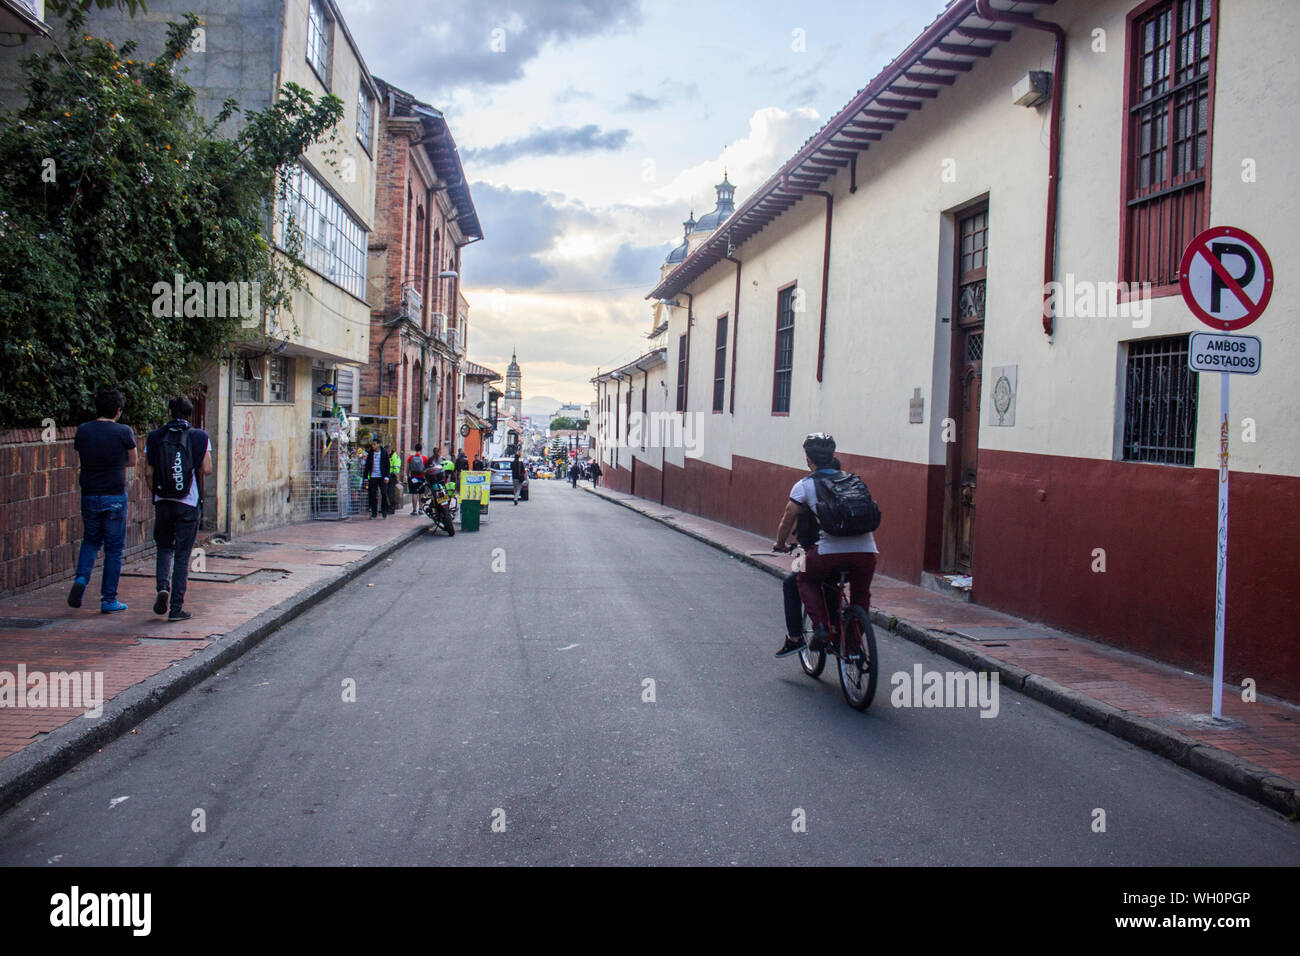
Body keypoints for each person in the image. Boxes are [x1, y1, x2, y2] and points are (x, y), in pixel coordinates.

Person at [773, 435, 877, 658]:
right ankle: (853, 644)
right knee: (861, 595)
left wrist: (780, 544)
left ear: (808, 459)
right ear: (832, 457)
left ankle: (821, 628)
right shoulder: (854, 480)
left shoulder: (804, 485)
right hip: (867, 553)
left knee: (803, 577)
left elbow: (787, 519)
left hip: (828, 554)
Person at [69, 386, 138, 614]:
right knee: (114, 549)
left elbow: (82, 454)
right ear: (118, 411)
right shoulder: (124, 432)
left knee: (90, 540)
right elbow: (133, 460)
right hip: (115, 495)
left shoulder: (84, 430)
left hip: (89, 494)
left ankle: (81, 579)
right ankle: (108, 599)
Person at [145, 396, 212, 622]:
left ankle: (162, 587)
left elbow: (147, 472)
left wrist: (156, 495)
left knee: (164, 548)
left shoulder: (154, 437)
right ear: (190, 415)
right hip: (188, 503)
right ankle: (176, 608)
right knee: (183, 555)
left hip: (163, 501)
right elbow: (207, 468)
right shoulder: (199, 436)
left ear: (168, 412)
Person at [361, 436, 390, 519]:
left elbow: (388, 465)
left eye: (374, 444)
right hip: (373, 476)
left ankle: (384, 511)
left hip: (382, 476)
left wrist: (387, 477)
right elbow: (367, 466)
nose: (373, 446)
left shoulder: (384, 453)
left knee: (384, 493)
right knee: (373, 494)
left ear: (379, 445)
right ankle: (374, 512)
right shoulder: (371, 453)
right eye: (372, 444)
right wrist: (366, 477)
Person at [407, 443, 429, 515]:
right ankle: (420, 509)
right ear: (421, 449)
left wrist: (408, 475)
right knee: (421, 493)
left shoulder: (410, 458)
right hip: (421, 477)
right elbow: (426, 469)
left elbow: (408, 468)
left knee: (414, 493)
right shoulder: (424, 458)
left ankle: (414, 510)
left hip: (413, 477)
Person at [386, 445, 402, 515]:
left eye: (386, 451)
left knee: (391, 493)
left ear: (389, 451)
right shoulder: (389, 456)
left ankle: (392, 508)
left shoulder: (395, 457)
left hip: (392, 477)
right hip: (387, 476)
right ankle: (387, 508)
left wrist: (392, 475)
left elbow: (396, 469)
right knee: (386, 492)